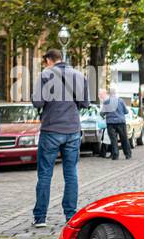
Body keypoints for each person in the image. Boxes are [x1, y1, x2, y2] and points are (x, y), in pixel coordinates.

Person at [32, 47, 89, 229]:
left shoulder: (45, 75)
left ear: (49, 60)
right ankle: (70, 215)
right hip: (72, 129)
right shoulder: (79, 76)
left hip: (51, 128)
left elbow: (37, 102)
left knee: (45, 174)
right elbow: (85, 103)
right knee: (71, 173)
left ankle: (40, 217)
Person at [99, 87, 131, 159]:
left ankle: (115, 155)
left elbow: (102, 113)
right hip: (121, 122)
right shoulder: (121, 101)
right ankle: (128, 154)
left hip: (110, 123)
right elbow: (126, 111)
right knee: (124, 139)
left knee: (113, 140)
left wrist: (105, 115)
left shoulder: (106, 102)